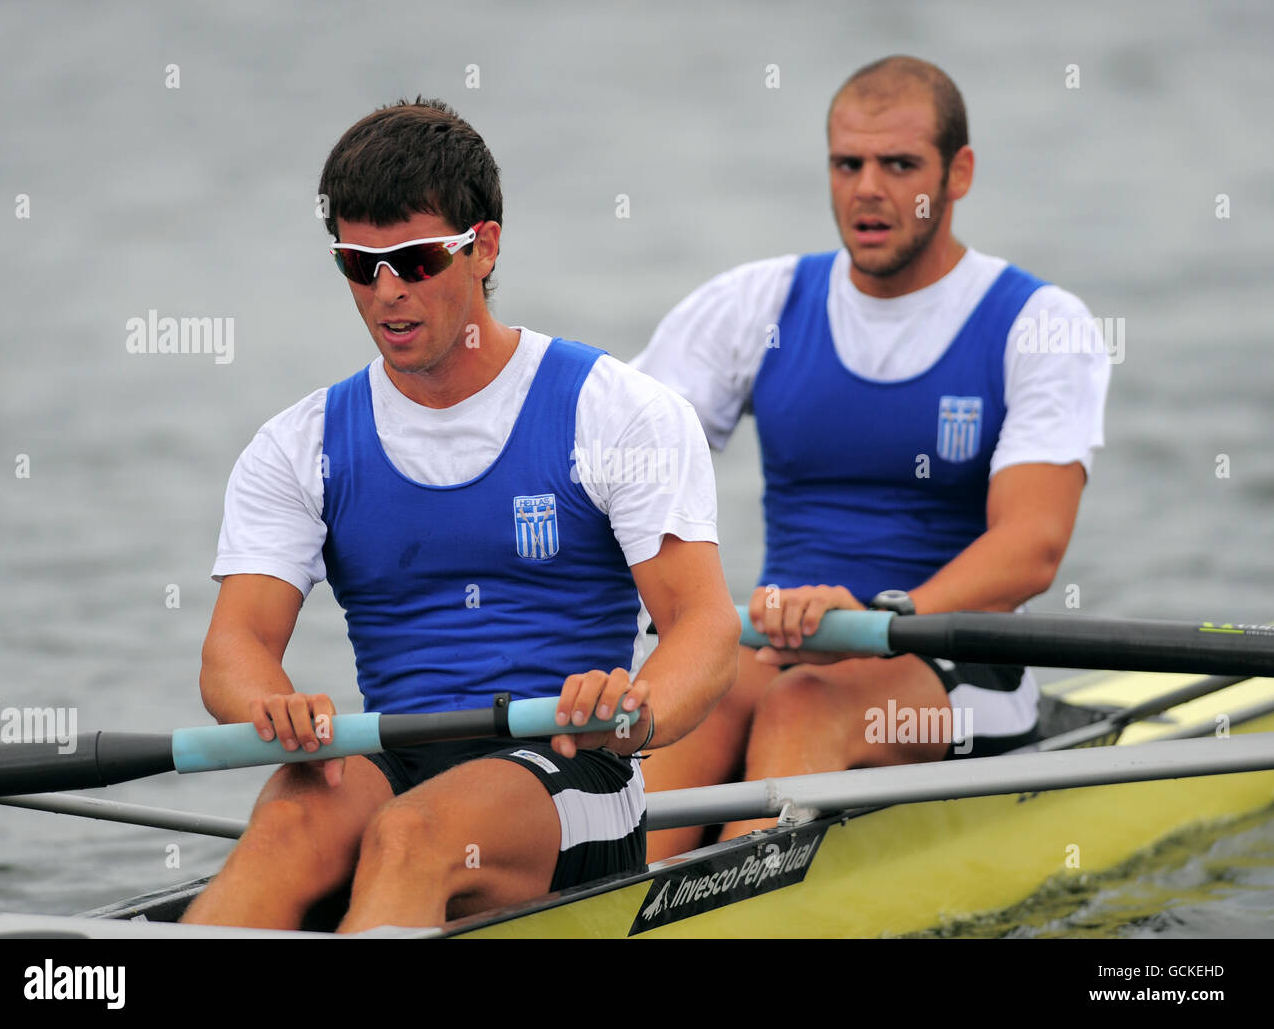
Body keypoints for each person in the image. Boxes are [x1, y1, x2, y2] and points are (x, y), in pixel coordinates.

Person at [181, 98, 740, 931]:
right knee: (288, 824)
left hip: (570, 768)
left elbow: (704, 625)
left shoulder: (613, 410)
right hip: (396, 757)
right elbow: (236, 647)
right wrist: (271, 704)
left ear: (483, 246)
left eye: (414, 260)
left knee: (408, 836)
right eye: (358, 266)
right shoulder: (299, 444)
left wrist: (635, 711)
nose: (387, 293)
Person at [633, 56, 1111, 859]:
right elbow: (618, 478)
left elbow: (1032, 549)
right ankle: (615, 890)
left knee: (804, 705)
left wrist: (874, 624)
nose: (867, 190)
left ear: (958, 173)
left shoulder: (1037, 323)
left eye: (899, 165)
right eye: (847, 164)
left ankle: (742, 906)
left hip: (959, 668)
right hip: (784, 641)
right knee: (692, 694)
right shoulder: (756, 305)